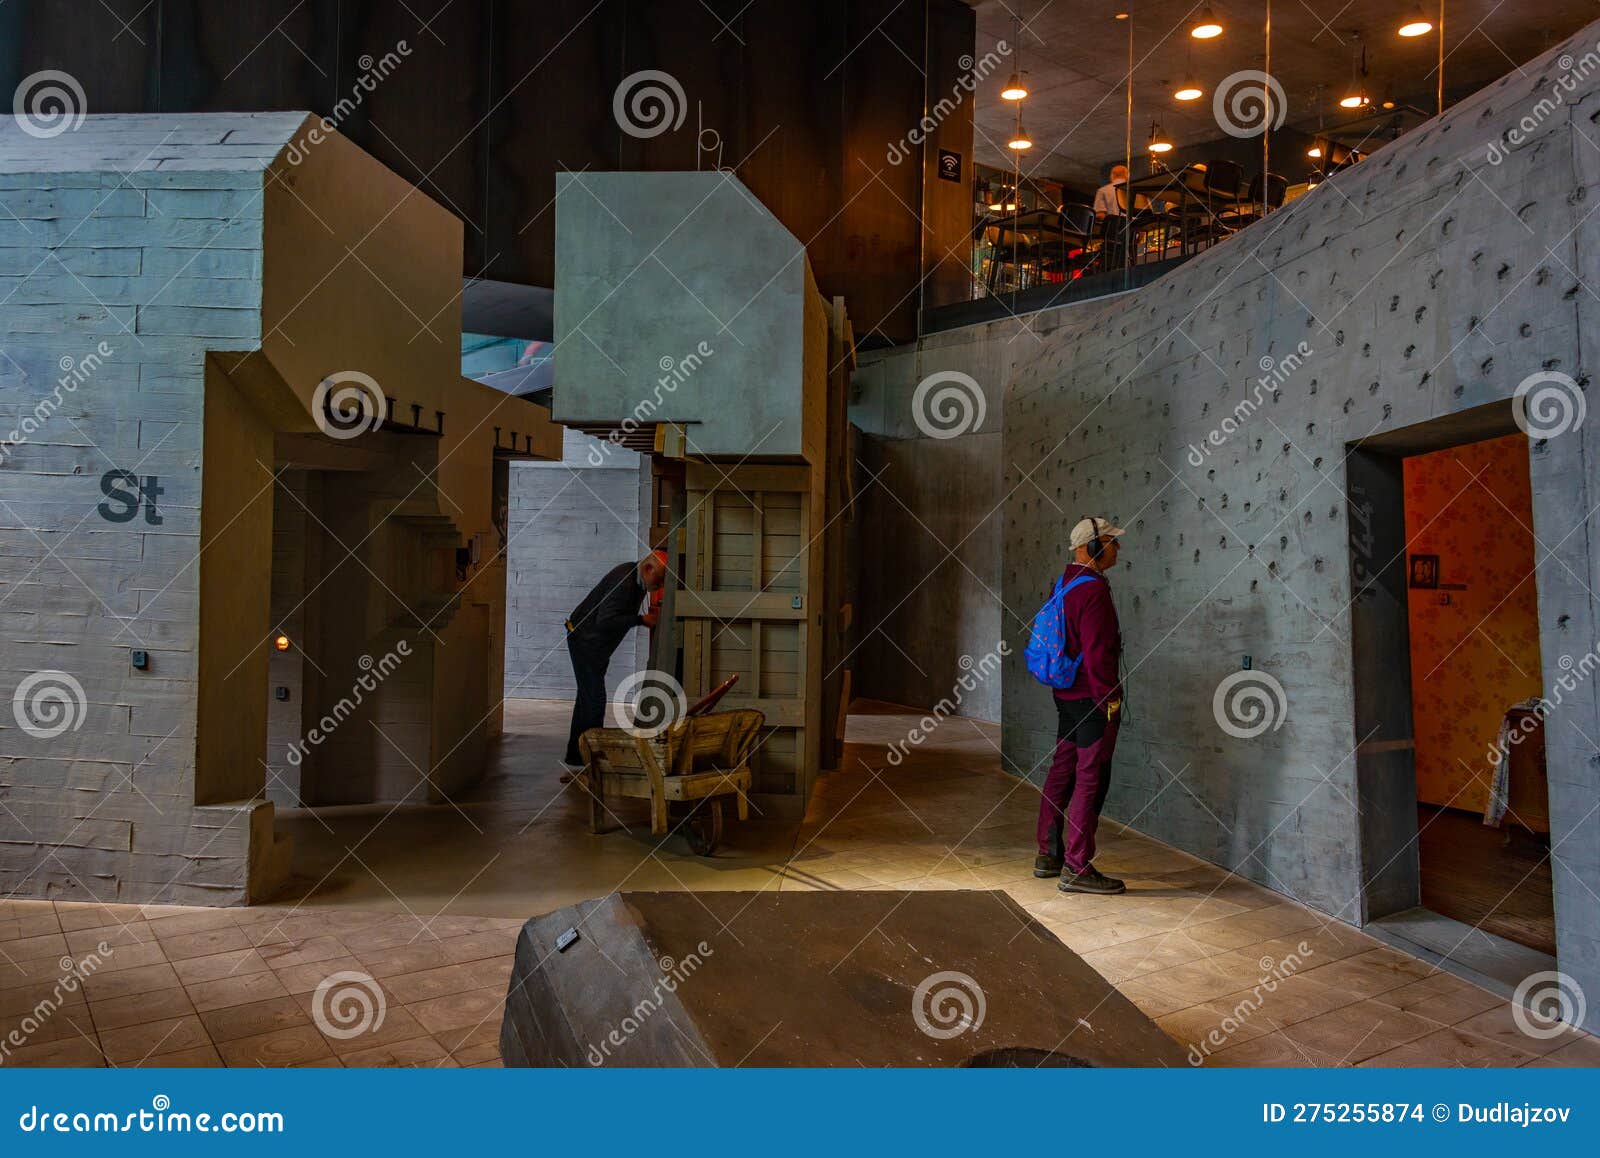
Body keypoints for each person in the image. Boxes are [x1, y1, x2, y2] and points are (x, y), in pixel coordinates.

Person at [1035, 517, 1127, 895]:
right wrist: (1112, 698)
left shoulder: (1064, 583)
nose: (1117, 549)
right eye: (1111, 542)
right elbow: (1097, 652)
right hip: (1093, 698)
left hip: (1066, 695)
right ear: (1092, 548)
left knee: (1063, 770)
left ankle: (1048, 853)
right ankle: (1077, 867)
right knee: (1091, 778)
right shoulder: (1093, 591)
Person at [562, 553, 667, 775]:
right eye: (659, 580)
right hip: (585, 642)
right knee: (594, 701)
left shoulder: (635, 578)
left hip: (589, 643)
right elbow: (606, 620)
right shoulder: (625, 583)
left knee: (586, 699)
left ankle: (577, 755)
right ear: (648, 569)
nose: (660, 586)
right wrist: (640, 620)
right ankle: (592, 760)